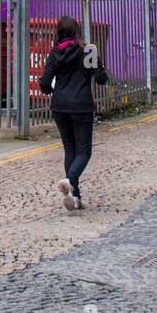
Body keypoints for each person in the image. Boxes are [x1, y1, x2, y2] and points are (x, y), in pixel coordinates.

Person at [39, 15, 107, 210]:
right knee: (84, 151)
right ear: (77, 31)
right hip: (81, 106)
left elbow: (45, 82)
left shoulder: (55, 53)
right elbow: (101, 78)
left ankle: (74, 197)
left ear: (59, 32)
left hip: (60, 106)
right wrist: (98, 69)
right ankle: (69, 180)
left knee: (70, 150)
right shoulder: (88, 51)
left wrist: (52, 91)